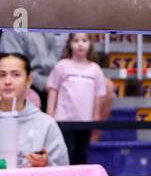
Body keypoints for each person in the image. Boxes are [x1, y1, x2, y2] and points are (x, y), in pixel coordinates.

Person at [46, 33, 116, 165]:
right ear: (70, 44)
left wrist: (96, 119)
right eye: (76, 40)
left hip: (85, 121)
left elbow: (98, 96)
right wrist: (50, 113)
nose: (80, 44)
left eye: (84, 40)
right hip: (64, 121)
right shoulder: (62, 66)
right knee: (68, 155)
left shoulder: (95, 69)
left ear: (90, 45)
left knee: (81, 156)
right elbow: (53, 89)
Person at [0, 28, 68, 101]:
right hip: (29, 88)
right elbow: (11, 68)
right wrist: (46, 84)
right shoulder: (14, 30)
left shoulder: (67, 25)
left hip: (65, 87)